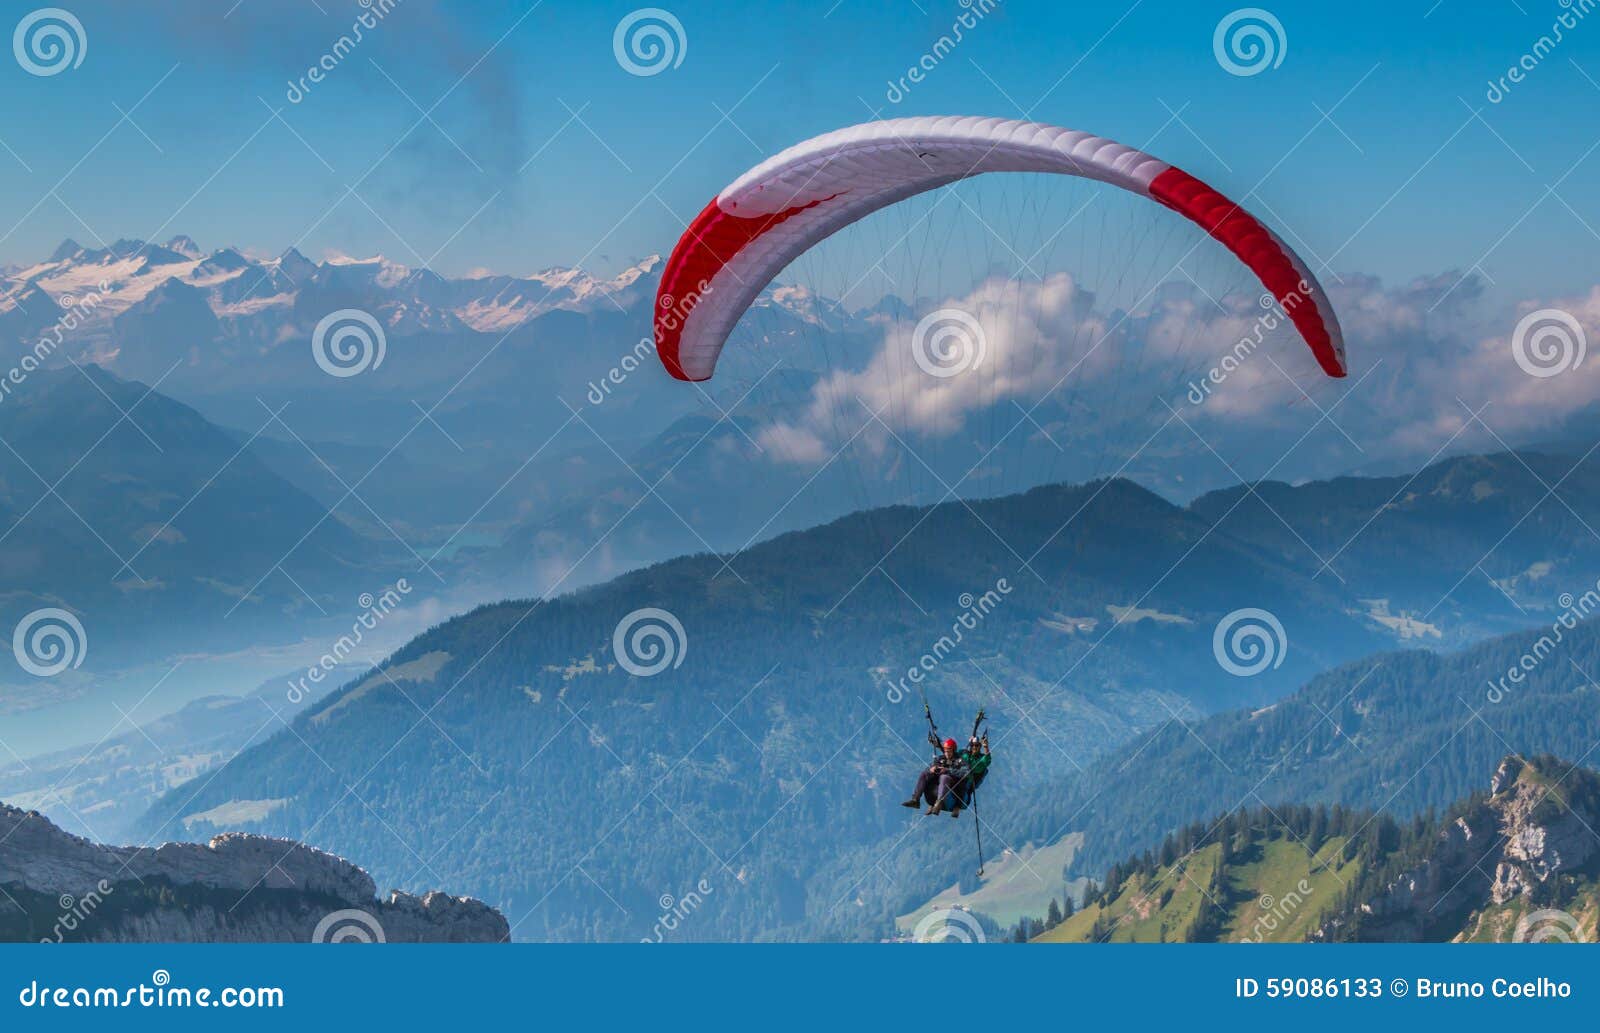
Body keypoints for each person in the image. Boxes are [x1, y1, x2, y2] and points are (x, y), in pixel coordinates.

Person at [902, 735, 990, 817]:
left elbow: (985, 761)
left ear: (979, 746)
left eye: (977, 745)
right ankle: (915, 800)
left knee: (945, 777)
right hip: (951, 778)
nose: (974, 747)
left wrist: (986, 747)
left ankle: (941, 803)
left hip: (964, 781)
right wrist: (932, 769)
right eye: (973, 745)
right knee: (926, 774)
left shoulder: (973, 759)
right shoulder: (962, 753)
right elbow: (948, 752)